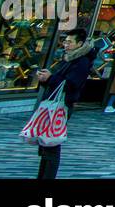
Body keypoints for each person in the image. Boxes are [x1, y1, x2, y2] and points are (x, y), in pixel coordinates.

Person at [33, 29, 102, 179]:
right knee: (46, 144)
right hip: (53, 103)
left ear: (80, 43)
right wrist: (47, 78)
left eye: (69, 42)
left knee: (51, 143)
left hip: (61, 106)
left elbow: (71, 84)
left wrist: (50, 78)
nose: (66, 45)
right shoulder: (69, 58)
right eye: (65, 41)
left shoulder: (81, 61)